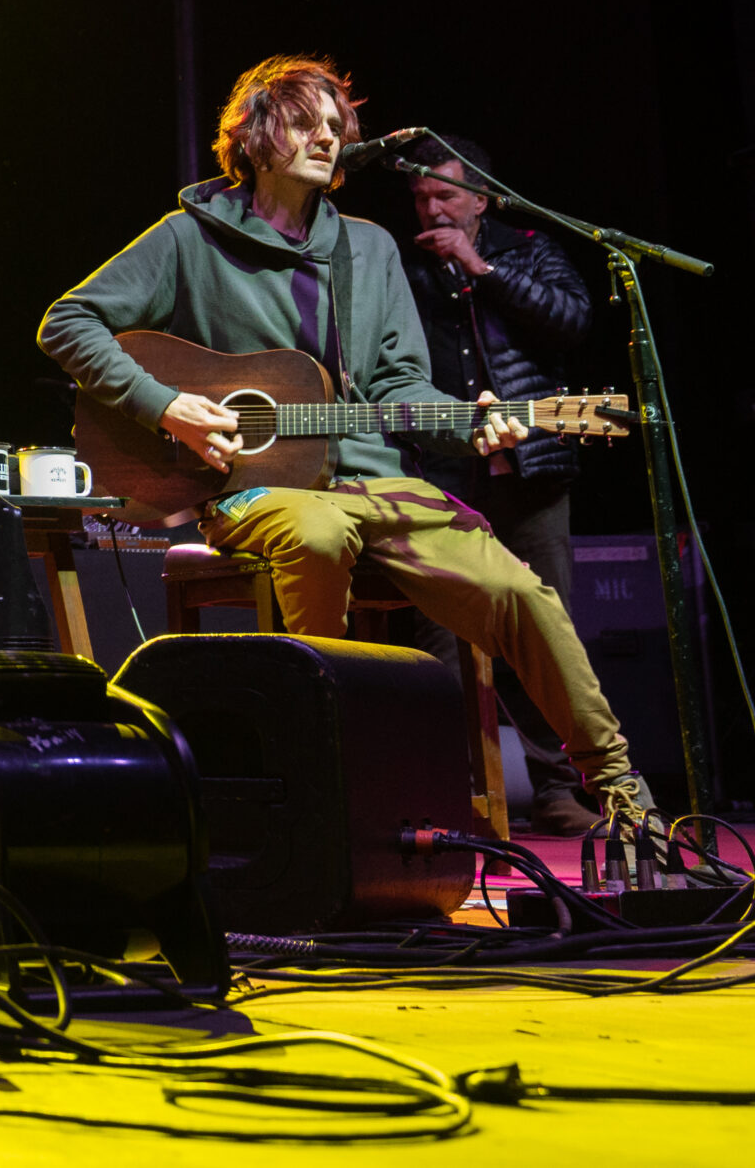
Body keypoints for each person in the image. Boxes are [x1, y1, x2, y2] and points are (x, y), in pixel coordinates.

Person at [37, 55, 658, 836]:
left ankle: (624, 792)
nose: (327, 136)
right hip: (253, 490)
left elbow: (401, 384)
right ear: (258, 135)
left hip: (378, 483)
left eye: (337, 125)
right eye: (307, 120)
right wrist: (167, 406)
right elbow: (67, 321)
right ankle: (324, 785)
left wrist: (470, 422)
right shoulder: (187, 240)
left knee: (522, 592)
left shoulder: (369, 249)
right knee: (319, 531)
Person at [403, 136, 598, 832]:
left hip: (532, 471)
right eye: (421, 197)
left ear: (480, 197)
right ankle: (456, 793)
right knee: (443, 639)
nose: (431, 208)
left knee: (548, 630)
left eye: (446, 195)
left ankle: (557, 789)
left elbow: (573, 322)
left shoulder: (526, 247)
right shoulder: (401, 267)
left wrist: (479, 267)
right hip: (443, 472)